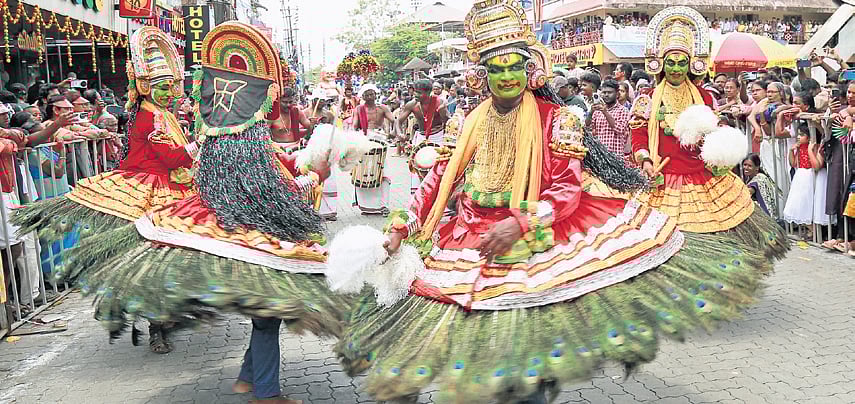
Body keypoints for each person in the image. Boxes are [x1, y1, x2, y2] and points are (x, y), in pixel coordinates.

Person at [328, 3, 770, 403]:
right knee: (480, 355)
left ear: (529, 70)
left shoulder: (559, 120)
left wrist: (519, 222)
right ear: (481, 73)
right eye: (495, 68)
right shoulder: (466, 121)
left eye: (514, 67)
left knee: (527, 359)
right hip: (466, 238)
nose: (506, 77)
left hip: (533, 242)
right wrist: (399, 230)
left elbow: (566, 189)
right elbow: (437, 181)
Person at [42, 23, 370, 403]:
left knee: (268, 315)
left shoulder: (226, 138)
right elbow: (264, 185)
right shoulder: (240, 142)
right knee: (268, 314)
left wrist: (302, 165)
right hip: (245, 236)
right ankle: (265, 393)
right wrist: (306, 178)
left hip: (228, 227)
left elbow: (266, 168)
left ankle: (251, 378)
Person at [12, 26, 195, 354]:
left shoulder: (164, 114)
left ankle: (162, 319)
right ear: (146, 87)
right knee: (152, 260)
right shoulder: (147, 118)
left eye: (172, 87)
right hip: (146, 195)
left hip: (171, 191)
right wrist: (198, 146)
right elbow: (171, 156)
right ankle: (156, 325)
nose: (169, 93)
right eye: (163, 88)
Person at [629, 6, 788, 259]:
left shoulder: (704, 96)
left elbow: (714, 129)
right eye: (671, 63)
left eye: (682, 63)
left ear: (691, 64)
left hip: (702, 172)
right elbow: (638, 133)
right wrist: (645, 159)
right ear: (661, 63)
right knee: (665, 234)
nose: (676, 69)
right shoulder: (647, 98)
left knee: (712, 229)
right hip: (663, 173)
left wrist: (721, 140)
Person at [351, 83, 398, 216]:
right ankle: (366, 207)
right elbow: (354, 126)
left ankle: (384, 206)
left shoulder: (382, 108)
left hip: (380, 140)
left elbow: (394, 121)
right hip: (364, 140)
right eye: (367, 94)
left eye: (372, 94)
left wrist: (394, 133)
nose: (370, 96)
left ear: (376, 95)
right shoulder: (358, 109)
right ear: (363, 96)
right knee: (363, 172)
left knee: (383, 173)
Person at [396, 79, 449, 192]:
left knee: (438, 168)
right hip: (421, 138)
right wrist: (399, 133)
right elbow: (398, 121)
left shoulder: (440, 103)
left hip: (438, 137)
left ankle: (438, 196)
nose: (415, 94)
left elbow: (449, 122)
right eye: (415, 91)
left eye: (419, 92)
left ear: (429, 92)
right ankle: (419, 196)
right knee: (417, 166)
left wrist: (443, 113)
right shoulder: (412, 104)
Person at [587, 78, 631, 161]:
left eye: (610, 92)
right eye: (604, 92)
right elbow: (588, 127)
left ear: (617, 94)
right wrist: (591, 112)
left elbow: (620, 129)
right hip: (599, 157)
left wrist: (605, 112)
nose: (606, 95)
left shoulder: (623, 110)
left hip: (616, 157)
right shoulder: (597, 111)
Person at [742, 153, 779, 219]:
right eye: (745, 165)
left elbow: (745, 194)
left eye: (750, 166)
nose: (746, 168)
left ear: (756, 168)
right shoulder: (758, 176)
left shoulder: (758, 179)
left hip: (765, 218)